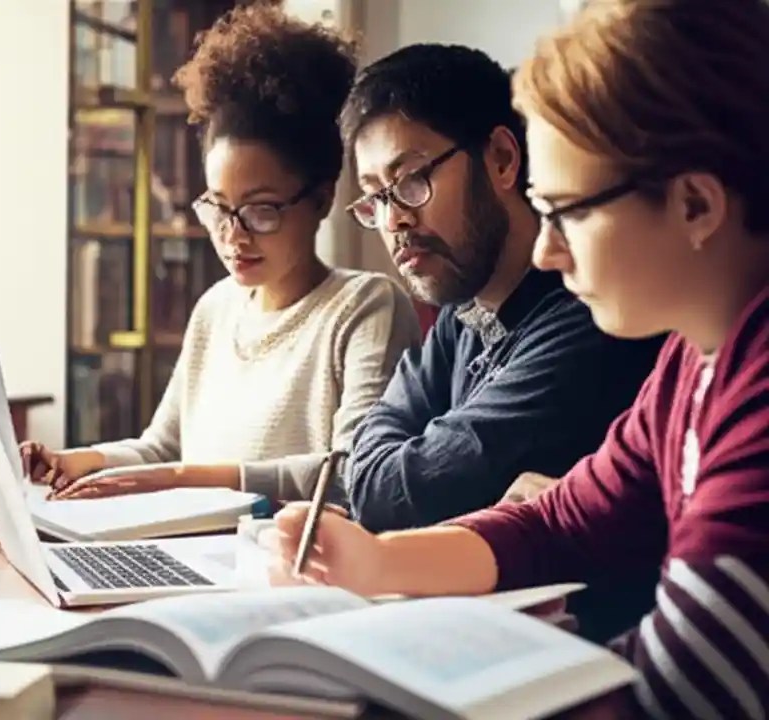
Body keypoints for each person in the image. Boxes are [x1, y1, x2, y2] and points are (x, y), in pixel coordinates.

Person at [274, 0, 769, 716]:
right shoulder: (695, 365)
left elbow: (680, 693)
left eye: (568, 211)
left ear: (695, 204)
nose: (545, 248)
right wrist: (374, 561)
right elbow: (562, 521)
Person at [21, 2, 421, 504]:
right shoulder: (216, 308)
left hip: (287, 569)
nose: (233, 237)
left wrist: (183, 479)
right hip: (194, 556)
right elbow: (162, 448)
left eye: (260, 211)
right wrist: (81, 461)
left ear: (320, 199)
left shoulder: (365, 308)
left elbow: (352, 473)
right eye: (218, 208)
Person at [337, 43, 662, 531]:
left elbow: (399, 496)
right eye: (375, 198)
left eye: (410, 180)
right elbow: (364, 470)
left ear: (503, 159)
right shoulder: (461, 312)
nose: (394, 218)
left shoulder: (587, 322)